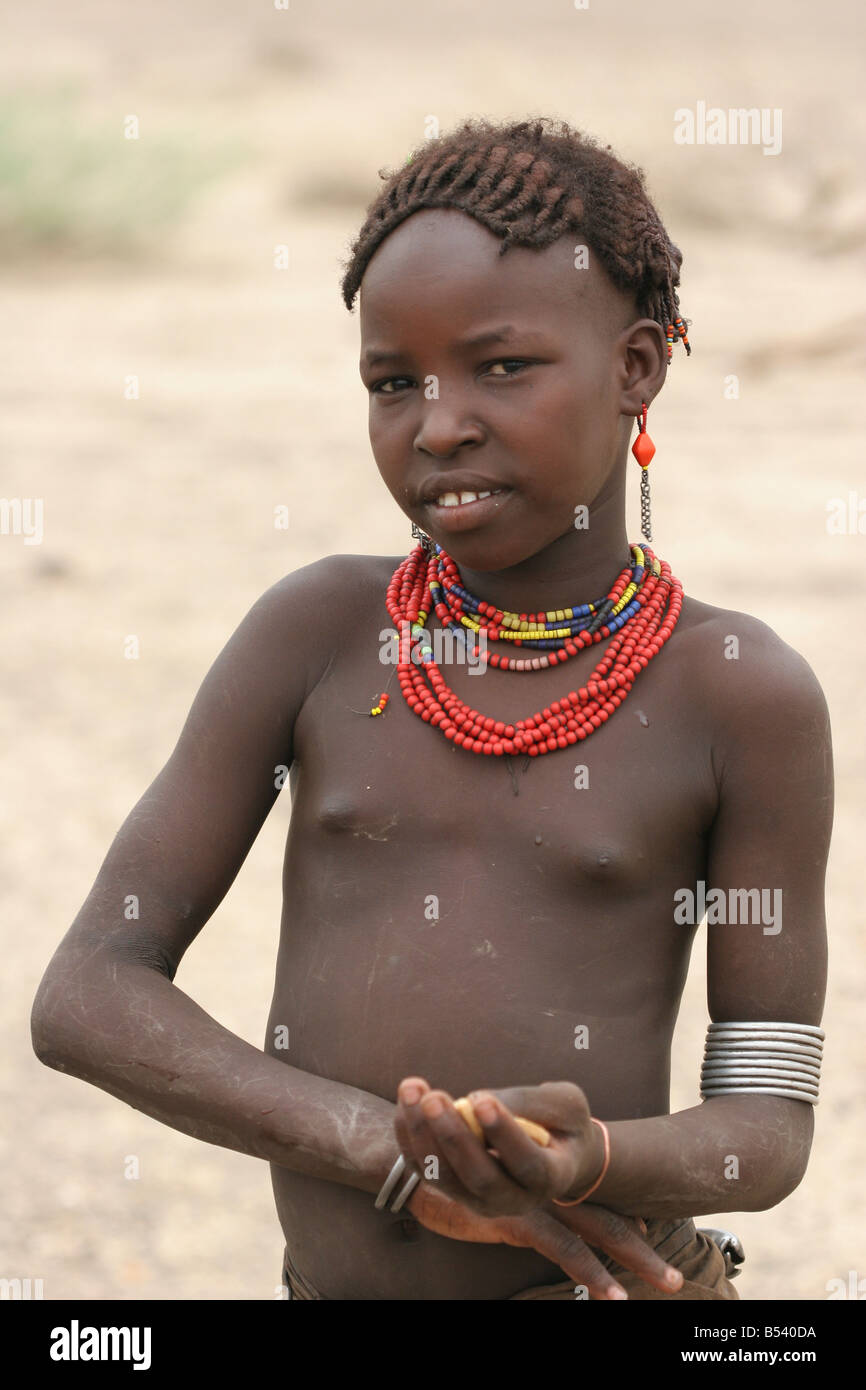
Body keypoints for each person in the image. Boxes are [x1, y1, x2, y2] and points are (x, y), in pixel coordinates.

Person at [31, 116, 832, 1300]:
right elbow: (88, 992)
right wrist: (385, 1150)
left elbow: (764, 1129)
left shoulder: (737, 693)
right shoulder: (315, 638)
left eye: (500, 366)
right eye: (391, 382)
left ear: (637, 367)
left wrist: (585, 1159)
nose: (437, 421)